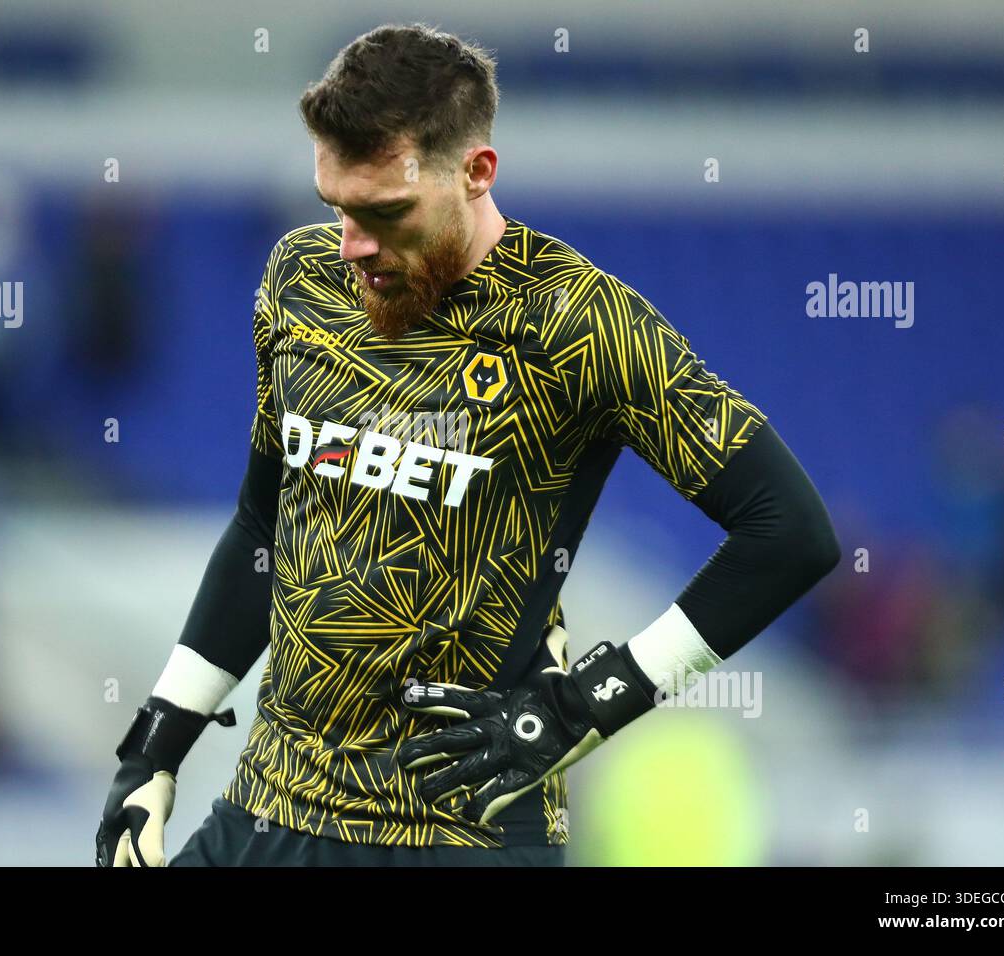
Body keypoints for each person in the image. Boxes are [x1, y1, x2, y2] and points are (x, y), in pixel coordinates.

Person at [96, 23, 840, 868]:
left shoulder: (576, 322)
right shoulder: (299, 281)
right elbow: (263, 532)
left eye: (385, 213)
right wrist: (152, 749)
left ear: (476, 172)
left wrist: (584, 705)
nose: (353, 247)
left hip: (462, 832)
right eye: (336, 207)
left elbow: (789, 531)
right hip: (269, 815)